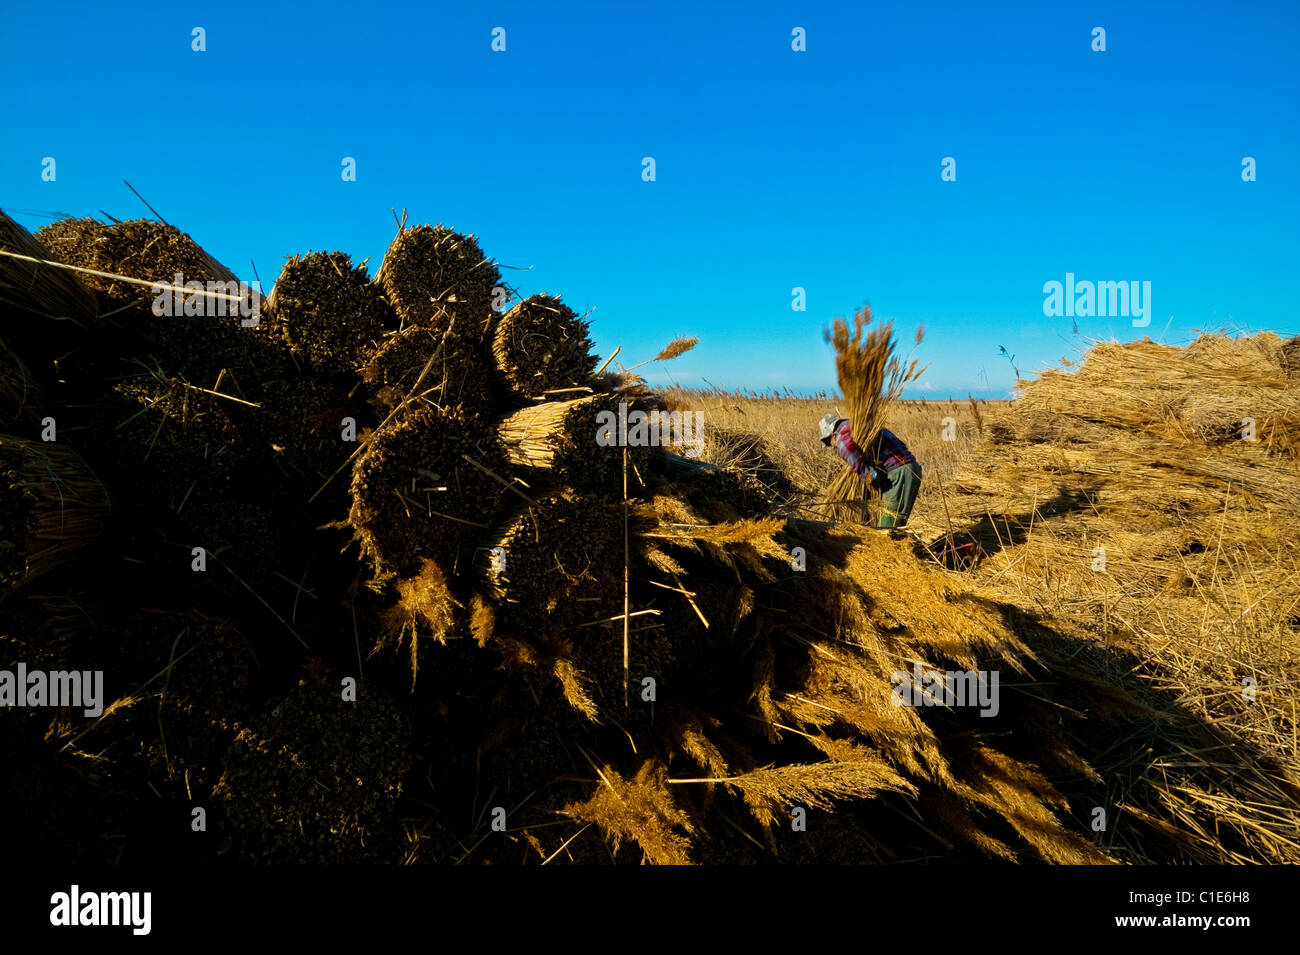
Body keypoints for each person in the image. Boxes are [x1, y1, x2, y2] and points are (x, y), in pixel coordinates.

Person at [819, 413, 922, 528]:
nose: (832, 446)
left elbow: (848, 451)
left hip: (898, 474)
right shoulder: (862, 425)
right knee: (898, 522)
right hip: (912, 469)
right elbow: (901, 444)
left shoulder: (841, 435)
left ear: (831, 434)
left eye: (828, 442)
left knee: (887, 527)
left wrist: (870, 475)